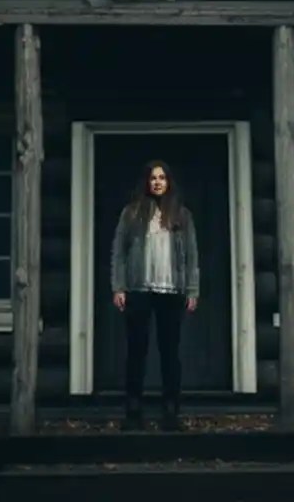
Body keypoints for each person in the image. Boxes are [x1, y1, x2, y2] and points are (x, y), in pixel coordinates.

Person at [109, 160, 199, 432]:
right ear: (146, 183)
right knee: (136, 351)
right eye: (153, 178)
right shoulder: (132, 213)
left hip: (171, 291)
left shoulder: (181, 215)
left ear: (168, 182)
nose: (157, 182)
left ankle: (170, 410)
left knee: (170, 352)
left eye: (162, 178)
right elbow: (119, 252)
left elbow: (192, 255)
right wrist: (118, 287)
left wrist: (192, 290)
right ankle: (133, 410)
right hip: (139, 290)